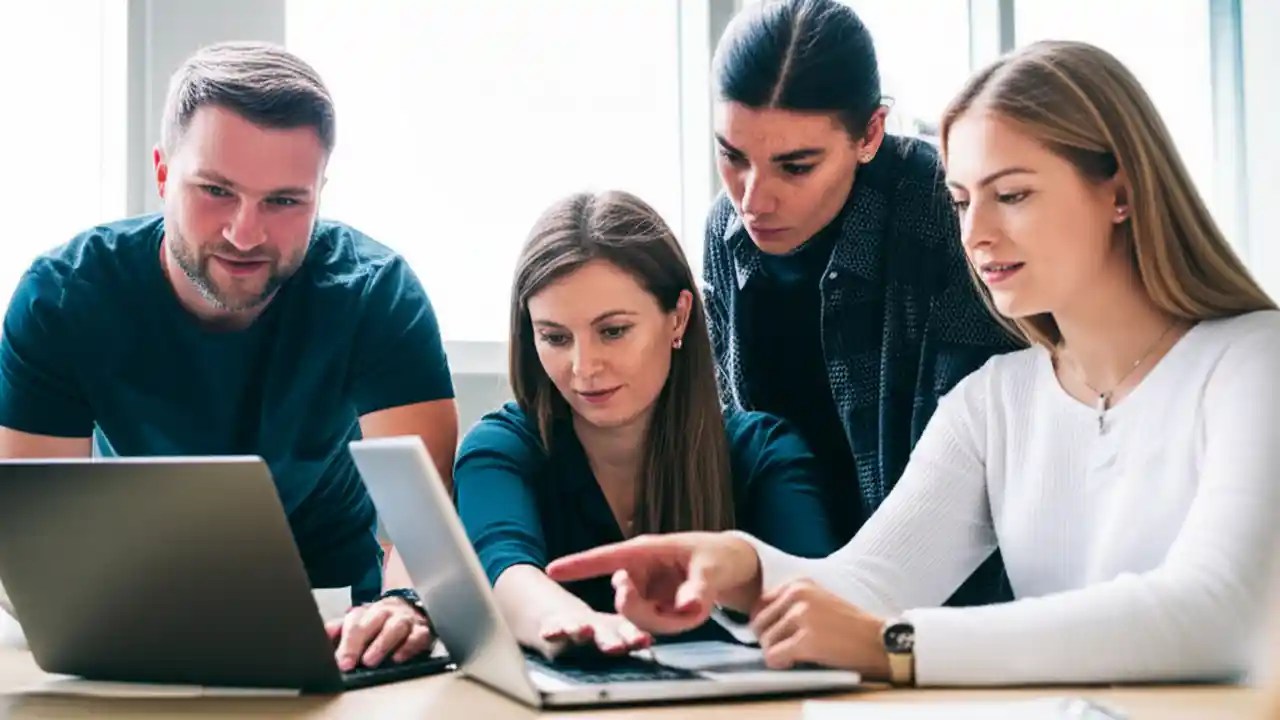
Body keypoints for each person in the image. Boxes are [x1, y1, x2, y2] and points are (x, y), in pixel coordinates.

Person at [547, 41, 1280, 686]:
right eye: (961, 201)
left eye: (1013, 194)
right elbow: (873, 583)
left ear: (1119, 192)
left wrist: (896, 647)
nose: (978, 233)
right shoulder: (994, 402)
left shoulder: (1252, 360)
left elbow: (1211, 611)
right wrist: (737, 570)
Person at [0, 42, 459, 672]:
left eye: (284, 201)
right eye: (216, 190)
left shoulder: (377, 293)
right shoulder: (62, 296)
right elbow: (36, 536)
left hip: (335, 613)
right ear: (163, 174)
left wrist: (407, 600)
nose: (246, 233)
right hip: (125, 606)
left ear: (321, 192)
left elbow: (424, 521)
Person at [702, 0, 1018, 605]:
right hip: (794, 590)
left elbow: (967, 494)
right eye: (733, 156)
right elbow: (745, 449)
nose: (753, 200)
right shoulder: (725, 232)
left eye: (795, 166)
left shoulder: (944, 214)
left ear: (871, 132)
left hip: (942, 602)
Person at [453, 191, 837, 659]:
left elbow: (820, 603)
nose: (583, 367)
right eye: (554, 337)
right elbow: (504, 571)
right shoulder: (499, 450)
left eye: (613, 331)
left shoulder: (765, 454)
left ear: (678, 317)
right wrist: (564, 621)